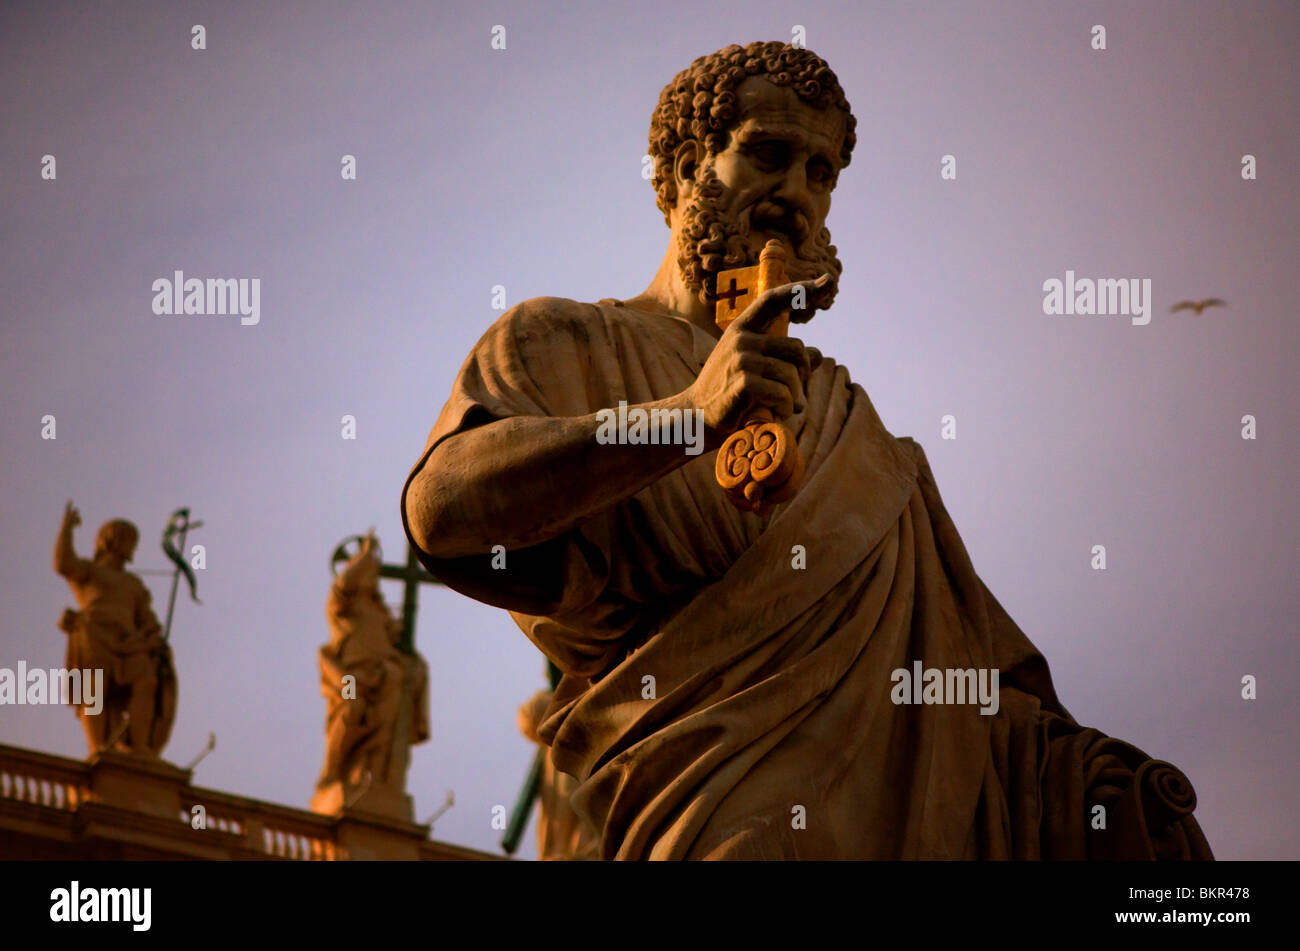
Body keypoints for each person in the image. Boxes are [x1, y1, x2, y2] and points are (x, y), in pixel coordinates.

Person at [401, 42, 1212, 860]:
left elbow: (983, 695)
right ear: (683, 170)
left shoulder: (854, 427)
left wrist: (1092, 785)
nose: (797, 192)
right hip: (717, 819)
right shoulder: (565, 339)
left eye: (821, 172)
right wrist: (687, 417)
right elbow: (445, 508)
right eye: (769, 154)